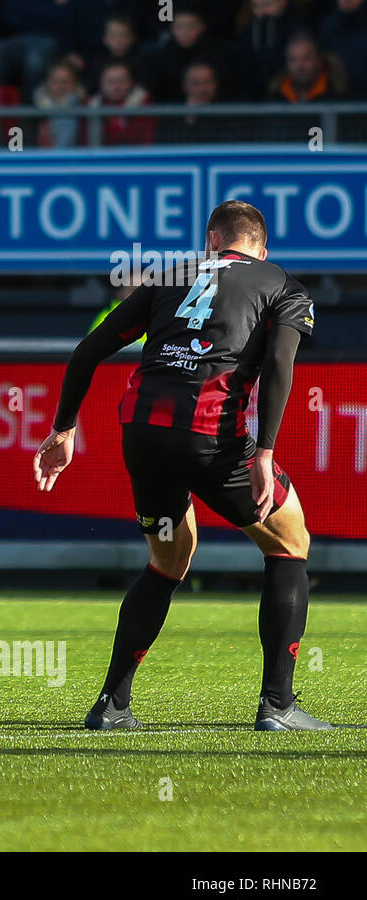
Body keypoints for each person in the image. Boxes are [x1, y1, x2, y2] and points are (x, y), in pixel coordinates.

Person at [33, 200, 328, 732]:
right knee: (290, 542)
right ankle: (278, 707)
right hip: (213, 440)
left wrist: (63, 428)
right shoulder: (282, 284)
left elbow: (87, 351)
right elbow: (282, 361)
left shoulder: (168, 276)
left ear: (212, 239)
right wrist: (263, 452)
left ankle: (111, 705)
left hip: (143, 436)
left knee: (169, 562)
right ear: (261, 247)